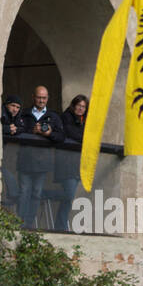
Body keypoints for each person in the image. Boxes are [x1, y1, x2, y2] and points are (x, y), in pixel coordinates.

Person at [16, 86, 62, 227]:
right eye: (39, 97)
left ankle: (29, 224)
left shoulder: (53, 117)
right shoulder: (23, 114)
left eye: (44, 98)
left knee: (36, 193)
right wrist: (32, 131)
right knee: (24, 192)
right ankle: (20, 223)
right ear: (33, 97)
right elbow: (17, 131)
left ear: (47, 99)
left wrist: (48, 133)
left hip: (42, 163)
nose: (41, 100)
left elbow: (61, 136)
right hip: (25, 160)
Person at [54, 94, 87, 231]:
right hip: (66, 164)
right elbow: (71, 133)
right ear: (73, 106)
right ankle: (43, 194)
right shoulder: (66, 117)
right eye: (78, 106)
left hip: (76, 165)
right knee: (68, 195)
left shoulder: (83, 120)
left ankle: (61, 226)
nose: (80, 109)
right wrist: (86, 137)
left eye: (83, 107)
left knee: (69, 197)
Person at [0, 94, 24, 210]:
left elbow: (23, 127)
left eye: (18, 107)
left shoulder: (16, 115)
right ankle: (13, 194)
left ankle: (12, 195)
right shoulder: (0, 112)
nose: (15, 109)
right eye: (13, 106)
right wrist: (7, 129)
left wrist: (15, 129)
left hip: (3, 153)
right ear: (6, 105)